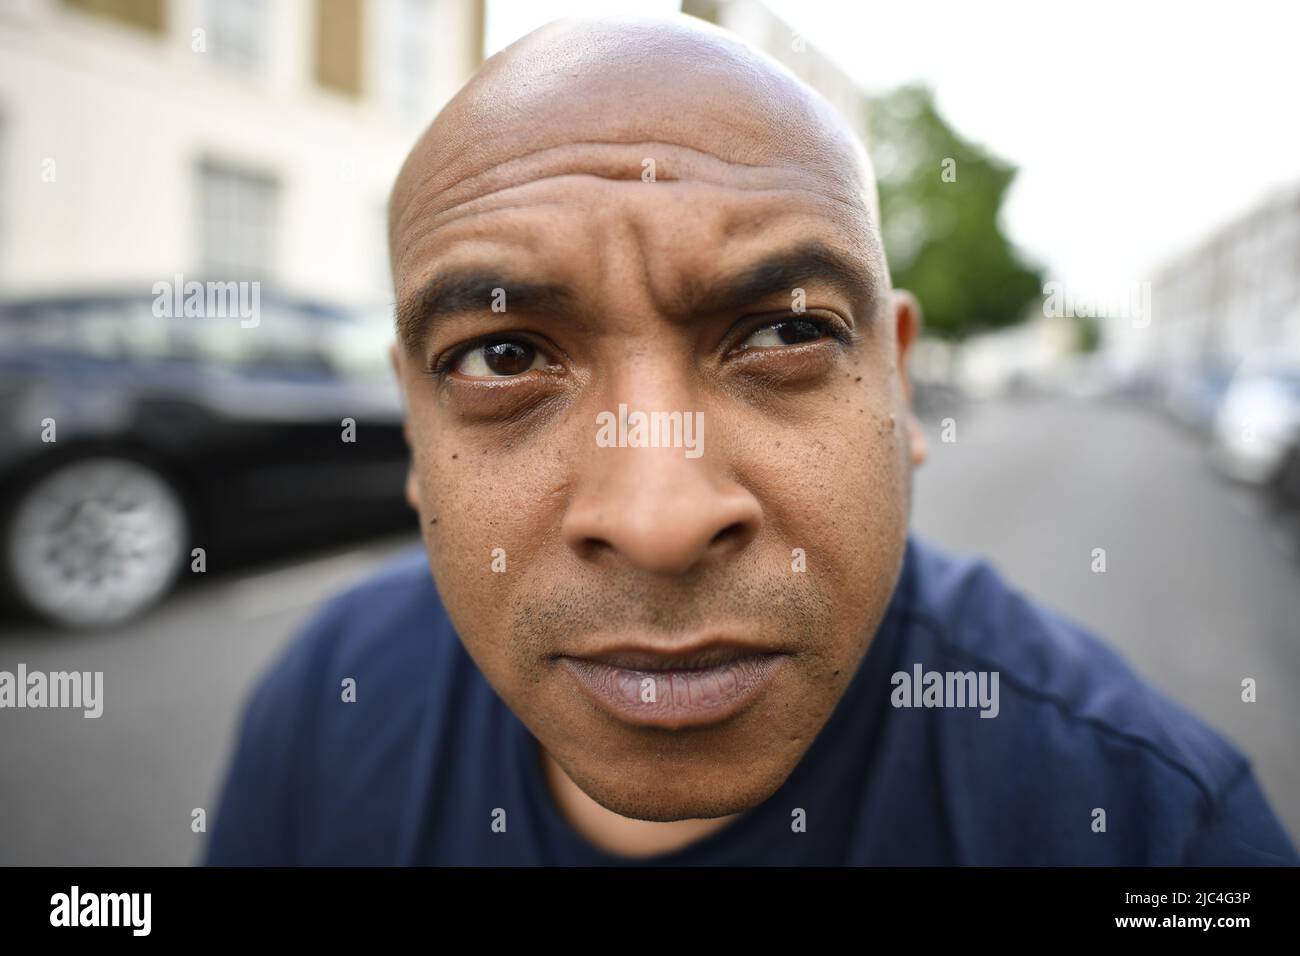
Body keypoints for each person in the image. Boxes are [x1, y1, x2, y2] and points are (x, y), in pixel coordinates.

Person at [205, 14, 1297, 865]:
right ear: (413, 419)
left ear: (899, 380)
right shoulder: (326, 701)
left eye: (784, 331)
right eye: (500, 356)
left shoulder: (1152, 828)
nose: (658, 519)